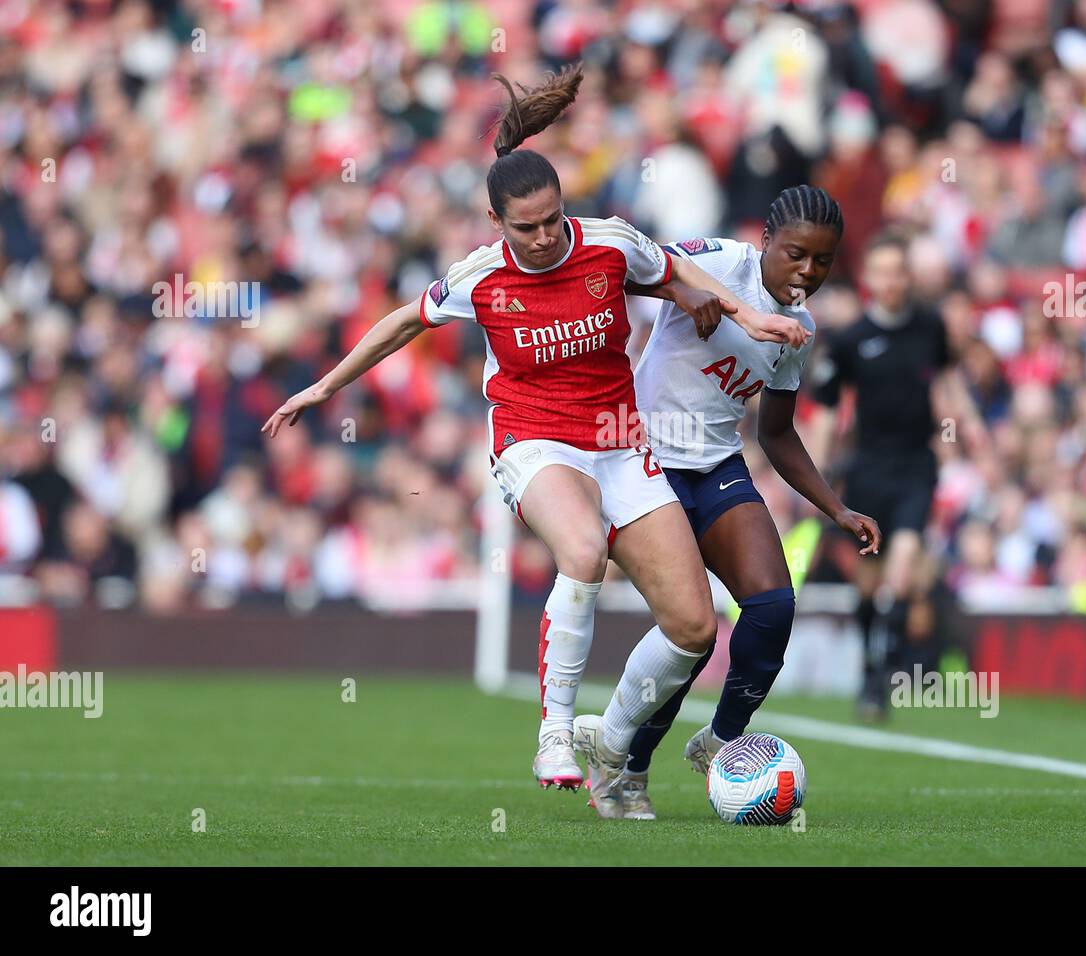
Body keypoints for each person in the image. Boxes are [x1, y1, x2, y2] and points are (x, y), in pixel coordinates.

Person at [261, 64, 807, 796]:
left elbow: (674, 270)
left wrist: (746, 314)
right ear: (497, 225)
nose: (546, 236)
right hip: (533, 440)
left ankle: (610, 743)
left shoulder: (608, 244)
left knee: (695, 624)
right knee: (581, 551)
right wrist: (326, 386)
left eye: (554, 218)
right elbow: (399, 323)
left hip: (619, 439)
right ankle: (554, 731)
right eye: (528, 227)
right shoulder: (482, 275)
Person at [578, 185, 883, 820]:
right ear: (765, 242)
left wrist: (837, 509)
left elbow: (775, 430)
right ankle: (627, 772)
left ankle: (720, 741)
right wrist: (685, 292)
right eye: (796, 254)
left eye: (822, 262)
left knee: (773, 605)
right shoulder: (717, 261)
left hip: (716, 465)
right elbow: (623, 264)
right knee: (689, 633)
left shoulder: (800, 328)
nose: (807, 272)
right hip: (646, 463)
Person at [809, 231, 988, 719]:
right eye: (881, 272)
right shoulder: (851, 340)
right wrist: (818, 477)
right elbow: (827, 409)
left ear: (909, 276)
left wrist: (969, 422)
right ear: (869, 278)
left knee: (902, 572)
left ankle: (883, 671)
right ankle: (870, 666)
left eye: (898, 271)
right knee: (867, 585)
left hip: (915, 466)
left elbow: (948, 378)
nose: (891, 281)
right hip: (868, 469)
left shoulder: (929, 327)